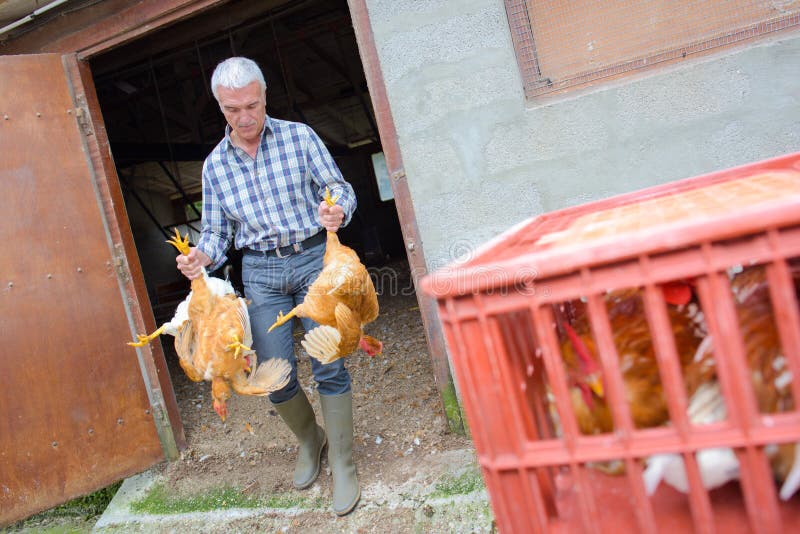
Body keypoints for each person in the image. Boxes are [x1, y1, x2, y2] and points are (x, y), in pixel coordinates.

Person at [175, 56, 360, 516]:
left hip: (314, 256)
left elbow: (338, 187)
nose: (245, 117)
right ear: (220, 108)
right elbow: (217, 233)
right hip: (259, 271)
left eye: (251, 105)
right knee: (272, 375)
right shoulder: (215, 165)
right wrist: (202, 255)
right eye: (232, 109)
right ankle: (310, 439)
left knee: (328, 363)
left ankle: (343, 459)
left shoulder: (299, 137)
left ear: (264, 96)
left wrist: (337, 210)